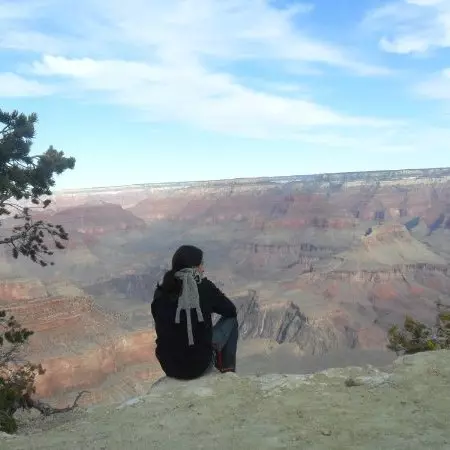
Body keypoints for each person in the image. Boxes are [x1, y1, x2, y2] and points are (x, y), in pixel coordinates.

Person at [151, 245, 238, 380]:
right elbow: (230, 311)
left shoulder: (161, 291)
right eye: (200, 264)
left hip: (170, 366)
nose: (203, 269)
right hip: (199, 366)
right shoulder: (204, 287)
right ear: (193, 267)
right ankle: (226, 372)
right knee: (232, 321)